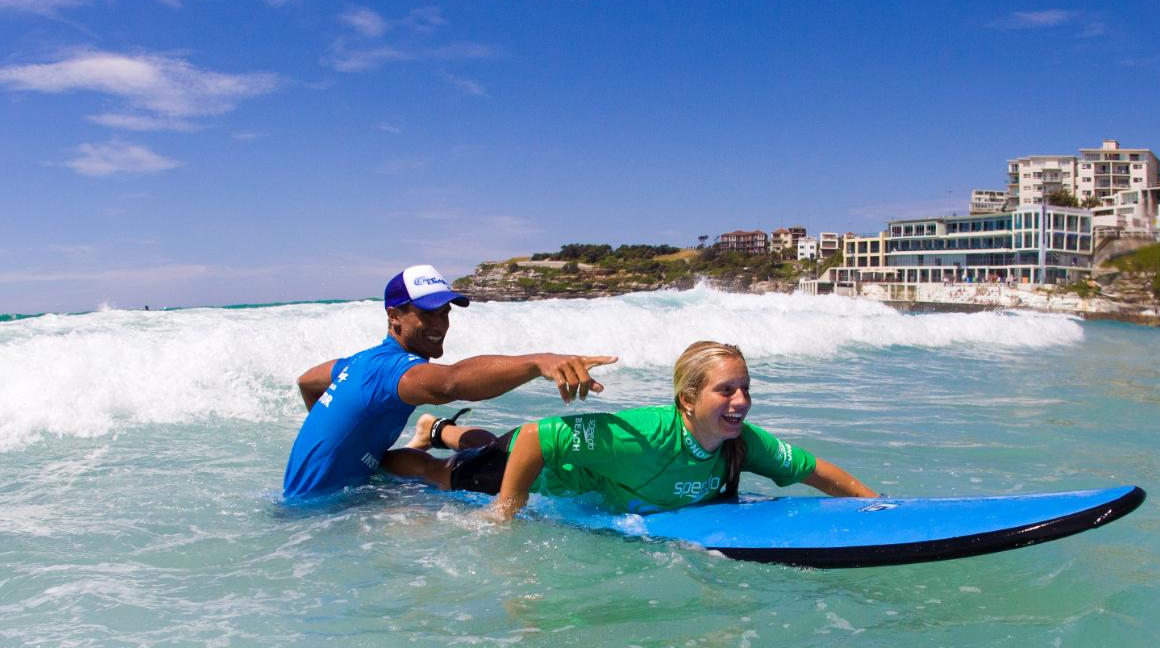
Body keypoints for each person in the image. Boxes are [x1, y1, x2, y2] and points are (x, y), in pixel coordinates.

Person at [383, 340, 876, 519]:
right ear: (687, 400)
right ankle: (387, 457)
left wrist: (877, 508)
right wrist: (505, 511)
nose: (741, 401)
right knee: (443, 475)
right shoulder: (639, 435)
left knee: (485, 445)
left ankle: (440, 426)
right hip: (539, 469)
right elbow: (535, 436)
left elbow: (813, 471)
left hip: (549, 456)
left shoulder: (741, 442)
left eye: (745, 387)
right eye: (726, 391)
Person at [282, 264, 615, 500]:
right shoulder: (389, 370)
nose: (440, 324)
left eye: (445, 312)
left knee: (480, 461)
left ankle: (436, 431)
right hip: (320, 511)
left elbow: (308, 382)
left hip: (352, 491)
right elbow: (450, 383)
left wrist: (342, 436)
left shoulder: (358, 363)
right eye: (427, 313)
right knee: (473, 472)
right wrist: (539, 362)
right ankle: (436, 431)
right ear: (394, 316)